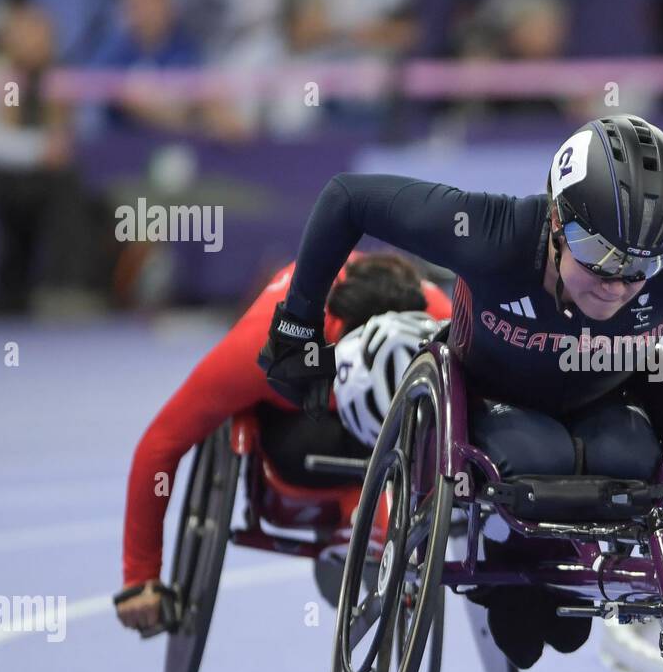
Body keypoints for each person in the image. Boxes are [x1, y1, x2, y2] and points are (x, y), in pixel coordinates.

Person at [258, 114, 663, 668]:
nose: (617, 285)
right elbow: (347, 198)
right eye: (599, 257)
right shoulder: (488, 232)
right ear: (556, 219)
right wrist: (297, 324)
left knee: (632, 464)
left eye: (643, 267)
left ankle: (539, 566)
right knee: (536, 465)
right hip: (490, 406)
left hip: (610, 402)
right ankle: (509, 554)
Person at [115, 252, 451, 635]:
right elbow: (162, 441)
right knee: (298, 450)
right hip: (298, 418)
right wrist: (140, 576)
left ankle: (367, 516)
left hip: (407, 424)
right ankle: (351, 514)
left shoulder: (437, 319)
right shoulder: (265, 342)